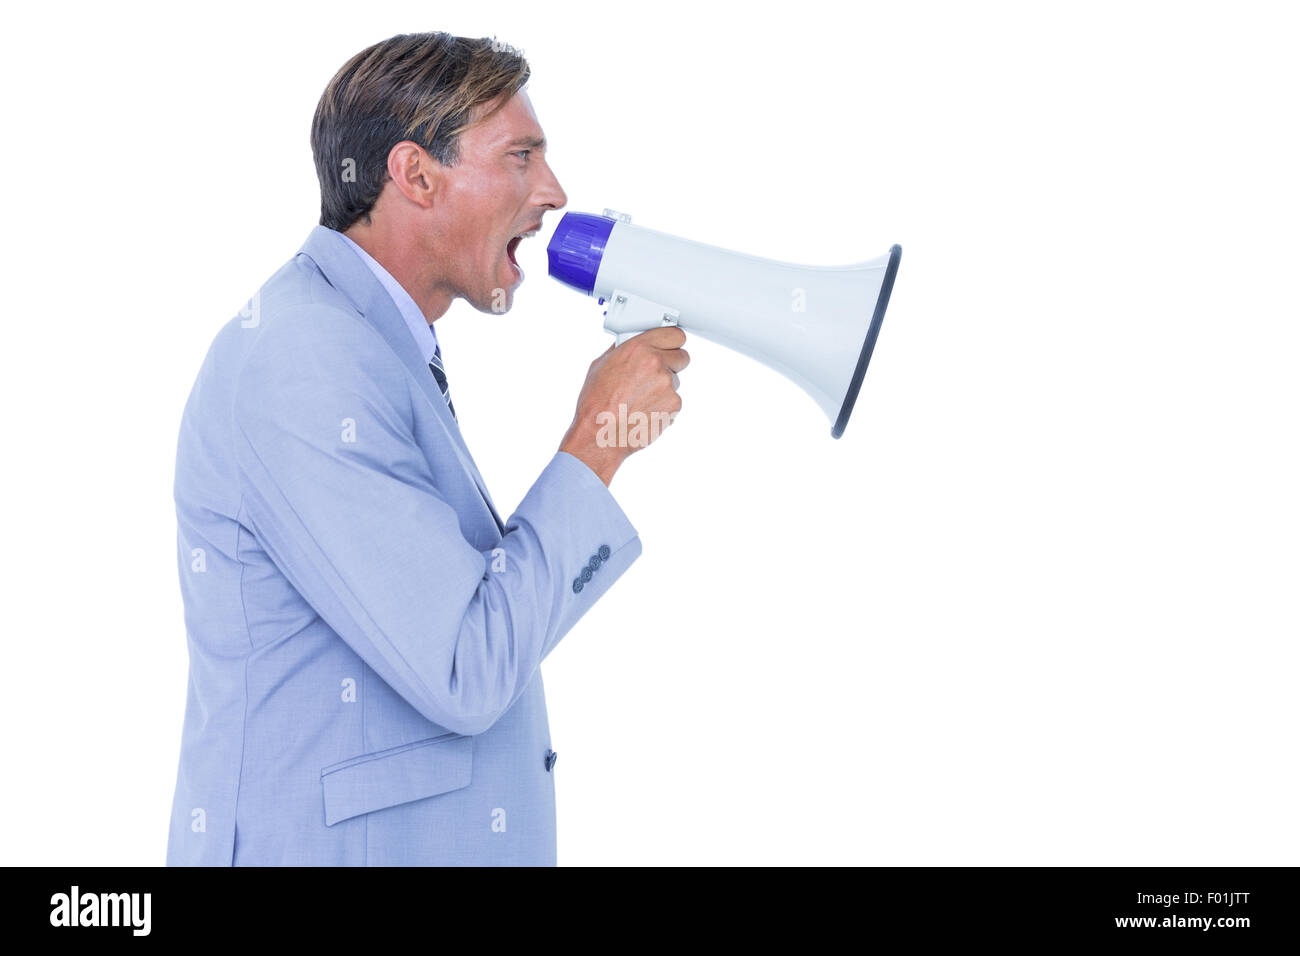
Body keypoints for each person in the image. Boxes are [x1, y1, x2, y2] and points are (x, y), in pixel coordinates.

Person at [166, 31, 689, 866]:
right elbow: (464, 667)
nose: (553, 192)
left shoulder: (364, 342)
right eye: (520, 156)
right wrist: (597, 442)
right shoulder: (304, 360)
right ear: (415, 175)